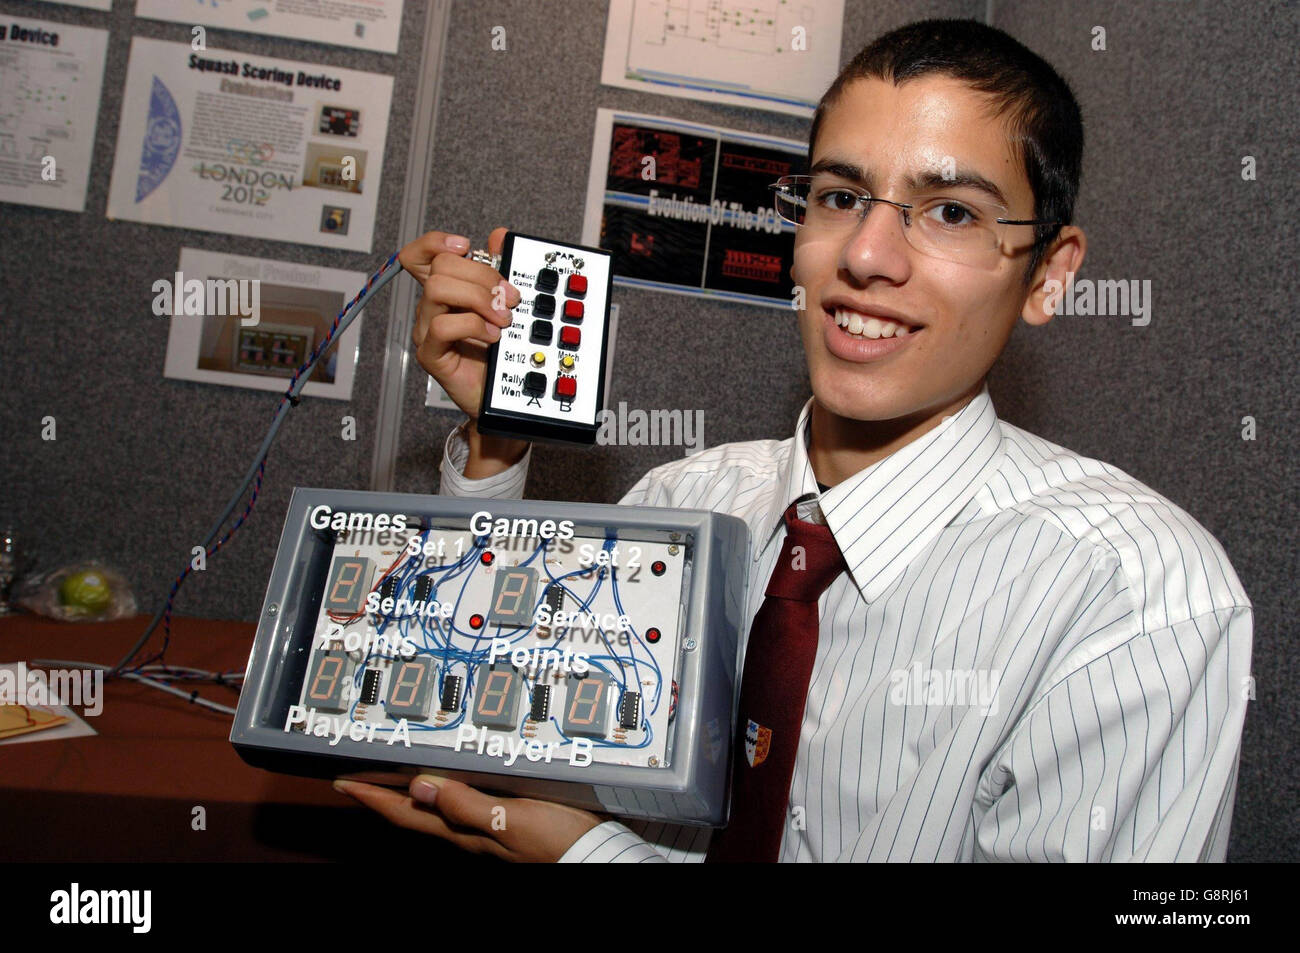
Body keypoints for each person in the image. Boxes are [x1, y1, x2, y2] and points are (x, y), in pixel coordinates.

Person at [335, 18, 1253, 862]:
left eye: (952, 212)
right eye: (839, 195)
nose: (866, 256)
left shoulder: (1139, 596)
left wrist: (595, 860)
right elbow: (481, 723)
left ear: (1050, 277)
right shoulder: (678, 503)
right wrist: (497, 444)